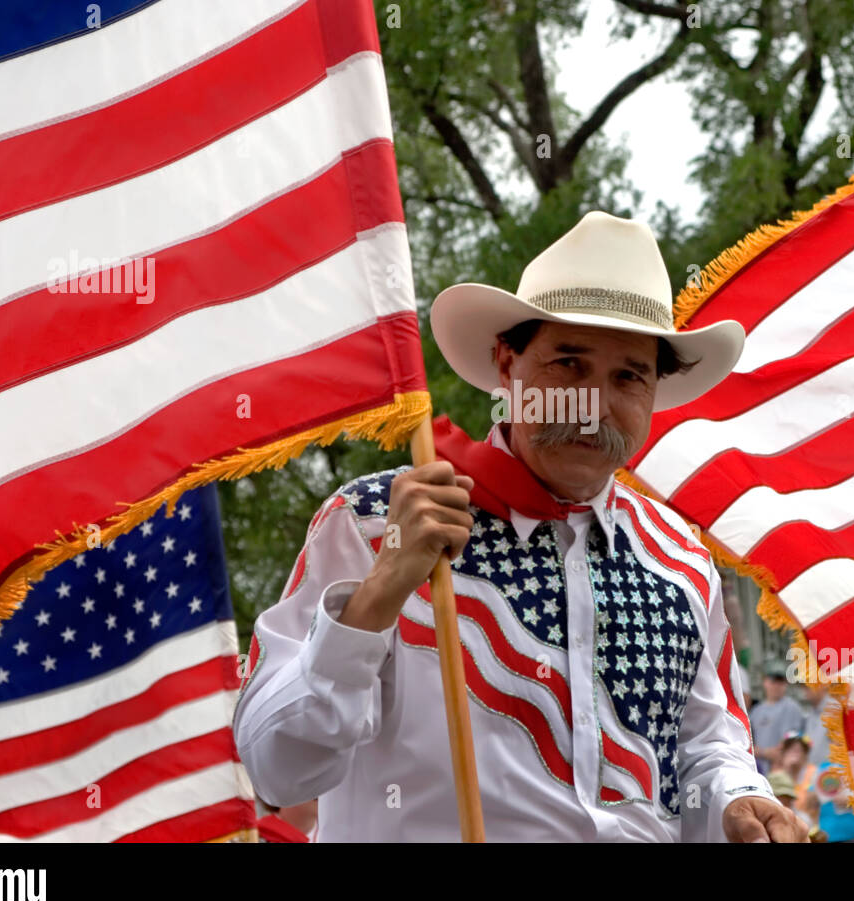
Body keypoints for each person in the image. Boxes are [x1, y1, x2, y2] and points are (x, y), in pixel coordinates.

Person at [231, 212, 807, 843]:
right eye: (569, 364)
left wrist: (741, 801)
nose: (595, 404)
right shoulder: (373, 522)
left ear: (654, 393)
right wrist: (378, 594)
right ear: (508, 364)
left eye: (629, 376)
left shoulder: (681, 562)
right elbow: (278, 766)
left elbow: (706, 746)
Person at [748, 658, 806, 774]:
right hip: (759, 773)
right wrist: (765, 753)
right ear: (764, 681)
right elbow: (747, 746)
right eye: (773, 679)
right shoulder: (755, 712)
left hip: (786, 773)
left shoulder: (793, 708)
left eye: (781, 680)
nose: (777, 685)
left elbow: (798, 742)